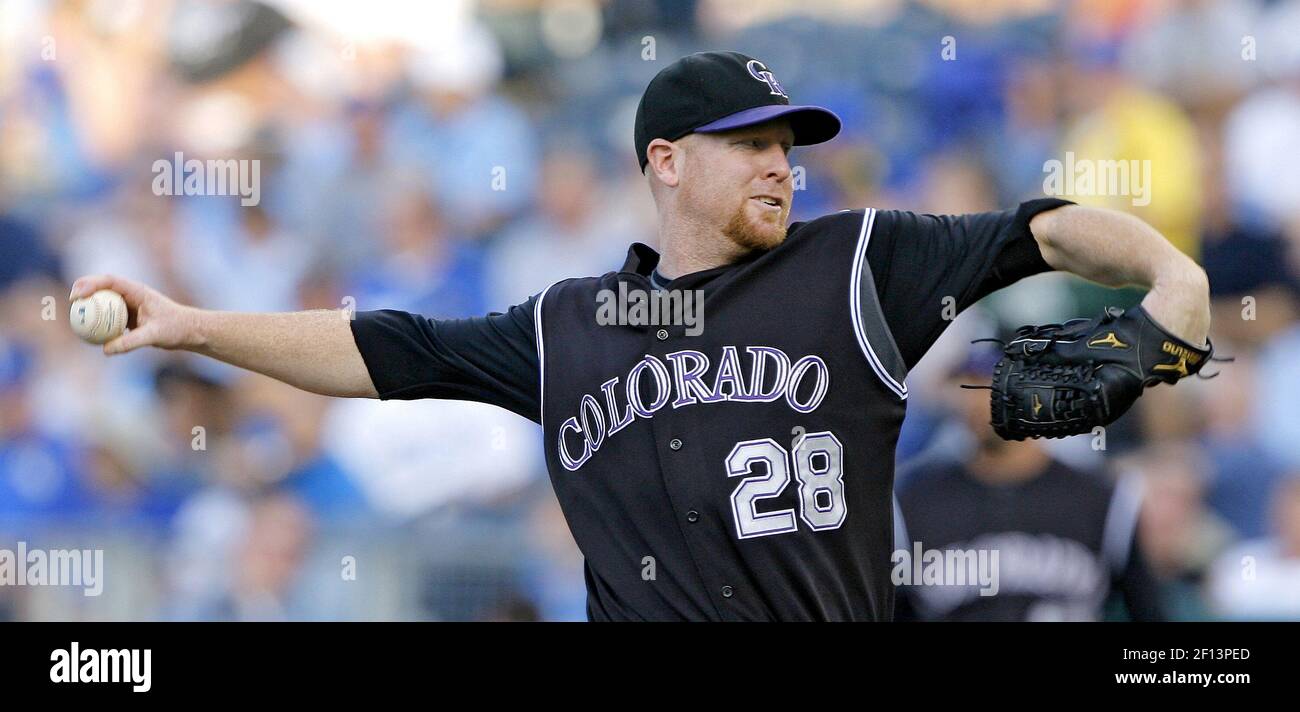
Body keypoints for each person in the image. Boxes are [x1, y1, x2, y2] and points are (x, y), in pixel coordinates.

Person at [69, 51, 1213, 621]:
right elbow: (386, 352)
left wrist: (1167, 271)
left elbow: (1040, 235)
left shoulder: (859, 260)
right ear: (666, 160)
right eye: (750, 141)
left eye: (789, 143)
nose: (781, 162)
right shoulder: (574, 325)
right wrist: (193, 326)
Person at [894, 349, 1165, 621]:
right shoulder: (913, 501)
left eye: (994, 382)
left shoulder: (1101, 498)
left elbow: (1148, 610)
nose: (979, 398)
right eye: (970, 383)